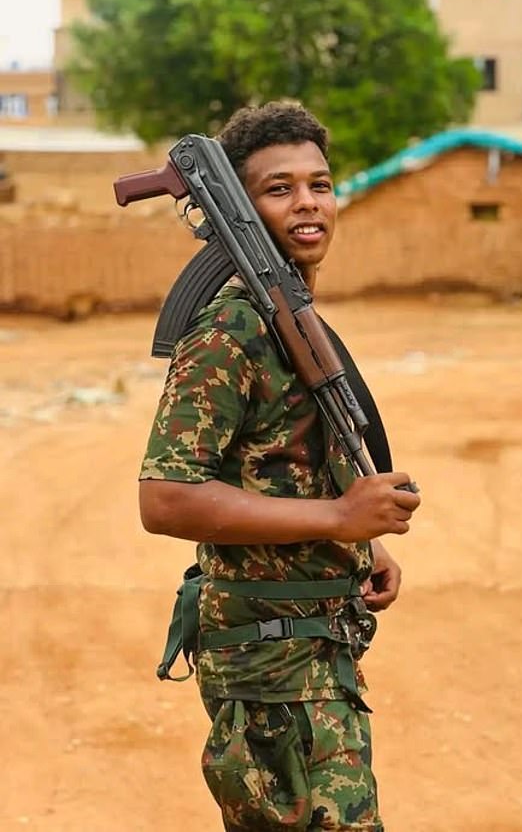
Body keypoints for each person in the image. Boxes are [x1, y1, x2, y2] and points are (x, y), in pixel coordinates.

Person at [139, 101, 421, 831]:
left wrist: (360, 541)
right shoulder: (234, 325)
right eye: (280, 188)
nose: (308, 204)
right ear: (239, 201)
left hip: (311, 653)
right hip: (272, 673)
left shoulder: (289, 315)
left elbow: (281, 461)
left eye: (320, 185)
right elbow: (164, 497)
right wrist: (338, 516)